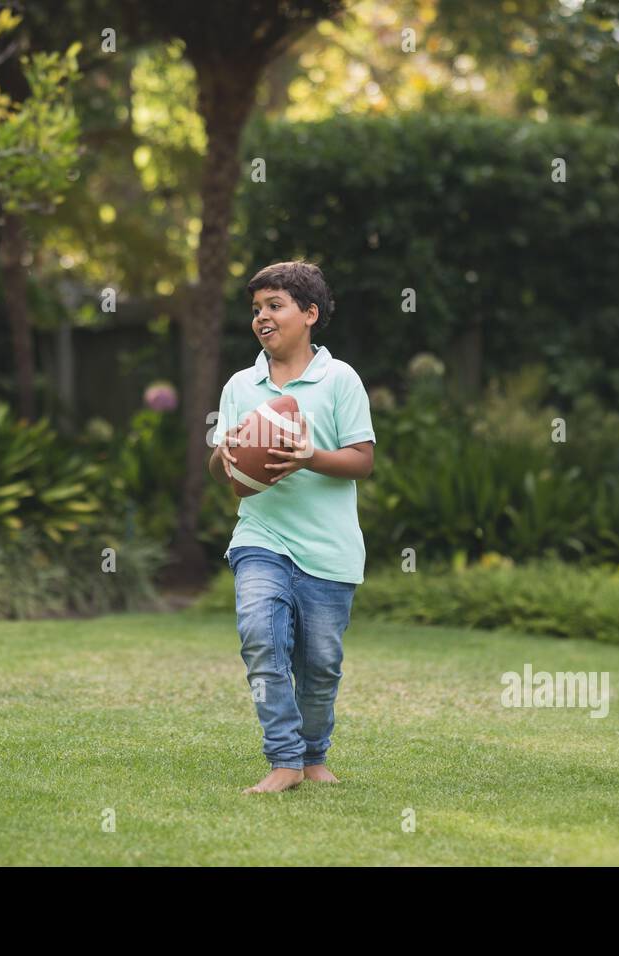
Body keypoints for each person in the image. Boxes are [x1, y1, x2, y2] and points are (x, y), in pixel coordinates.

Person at [206, 260, 376, 794]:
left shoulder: (340, 379)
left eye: (274, 305)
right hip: (261, 538)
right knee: (260, 638)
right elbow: (225, 472)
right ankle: (283, 759)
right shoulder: (241, 385)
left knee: (321, 665)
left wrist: (308, 458)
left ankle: (313, 753)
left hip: (329, 550)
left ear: (309, 313)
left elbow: (362, 460)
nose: (262, 317)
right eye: (256, 308)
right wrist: (230, 449)